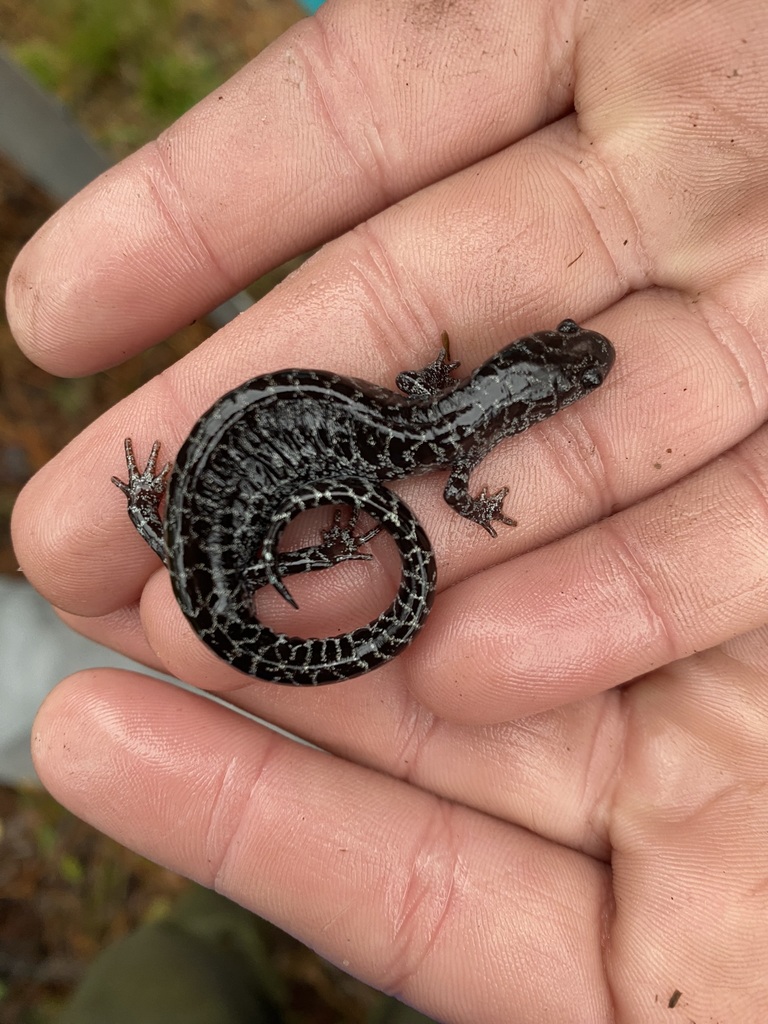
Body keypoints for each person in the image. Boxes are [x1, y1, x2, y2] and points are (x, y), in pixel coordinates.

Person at [8, 1, 768, 1020]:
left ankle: (218, 538)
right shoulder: (442, 449)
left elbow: (417, 436)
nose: (579, 373)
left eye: (573, 375)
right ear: (521, 385)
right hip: (246, 525)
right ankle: (230, 549)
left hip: (250, 499)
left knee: (244, 542)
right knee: (235, 558)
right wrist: (414, 515)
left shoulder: (427, 418)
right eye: (569, 364)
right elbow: (441, 481)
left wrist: (352, 513)